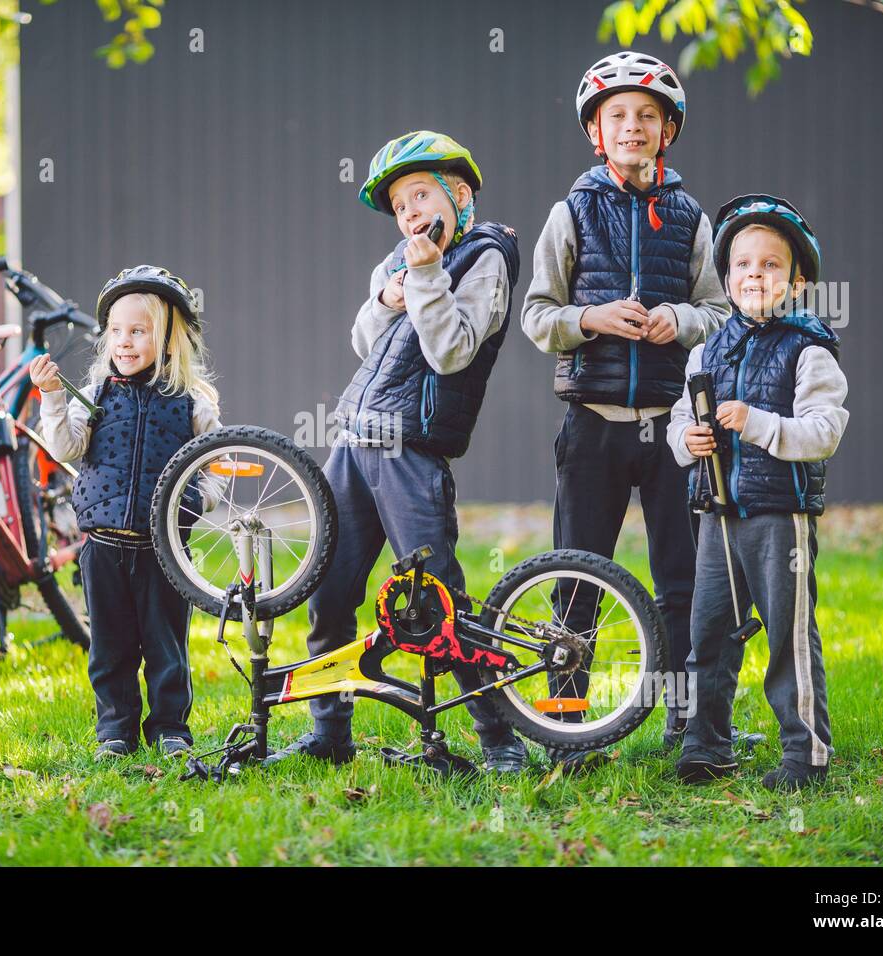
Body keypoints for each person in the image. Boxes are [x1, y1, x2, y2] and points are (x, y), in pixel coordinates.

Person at [263, 130, 528, 773]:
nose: (409, 214)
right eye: (399, 206)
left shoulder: (487, 253)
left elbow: (452, 349)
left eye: (420, 195)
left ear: (458, 195)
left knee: (437, 597)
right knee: (329, 587)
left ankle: (499, 740)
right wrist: (388, 294)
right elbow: (363, 339)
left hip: (411, 449)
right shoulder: (398, 262)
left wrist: (426, 276)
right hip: (355, 441)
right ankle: (330, 732)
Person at [520, 51, 732, 770]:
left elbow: (720, 308)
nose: (633, 127)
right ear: (595, 132)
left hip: (675, 429)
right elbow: (537, 316)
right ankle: (569, 730)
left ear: (667, 130)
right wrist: (594, 319)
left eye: (647, 116)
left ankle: (684, 723)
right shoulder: (571, 211)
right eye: (618, 117)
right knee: (577, 581)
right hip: (593, 429)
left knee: (681, 581)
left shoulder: (691, 217)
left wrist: (679, 317)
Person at [667, 195, 848, 791]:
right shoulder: (707, 349)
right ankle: (705, 743)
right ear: (727, 276)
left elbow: (823, 432)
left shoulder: (809, 349)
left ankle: (804, 755)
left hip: (779, 517)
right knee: (708, 633)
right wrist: (685, 439)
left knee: (788, 635)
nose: (754, 275)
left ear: (797, 282)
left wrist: (758, 424)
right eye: (743, 264)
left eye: (771, 265)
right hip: (717, 513)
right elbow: (678, 418)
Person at [31, 266, 222, 761]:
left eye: (138, 331)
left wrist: (200, 499)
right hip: (103, 548)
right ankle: (115, 729)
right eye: (116, 331)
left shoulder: (192, 404)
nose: (124, 341)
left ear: (167, 337)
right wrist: (53, 397)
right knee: (111, 649)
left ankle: (169, 729)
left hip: (164, 551)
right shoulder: (95, 395)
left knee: (166, 648)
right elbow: (63, 448)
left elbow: (218, 465)